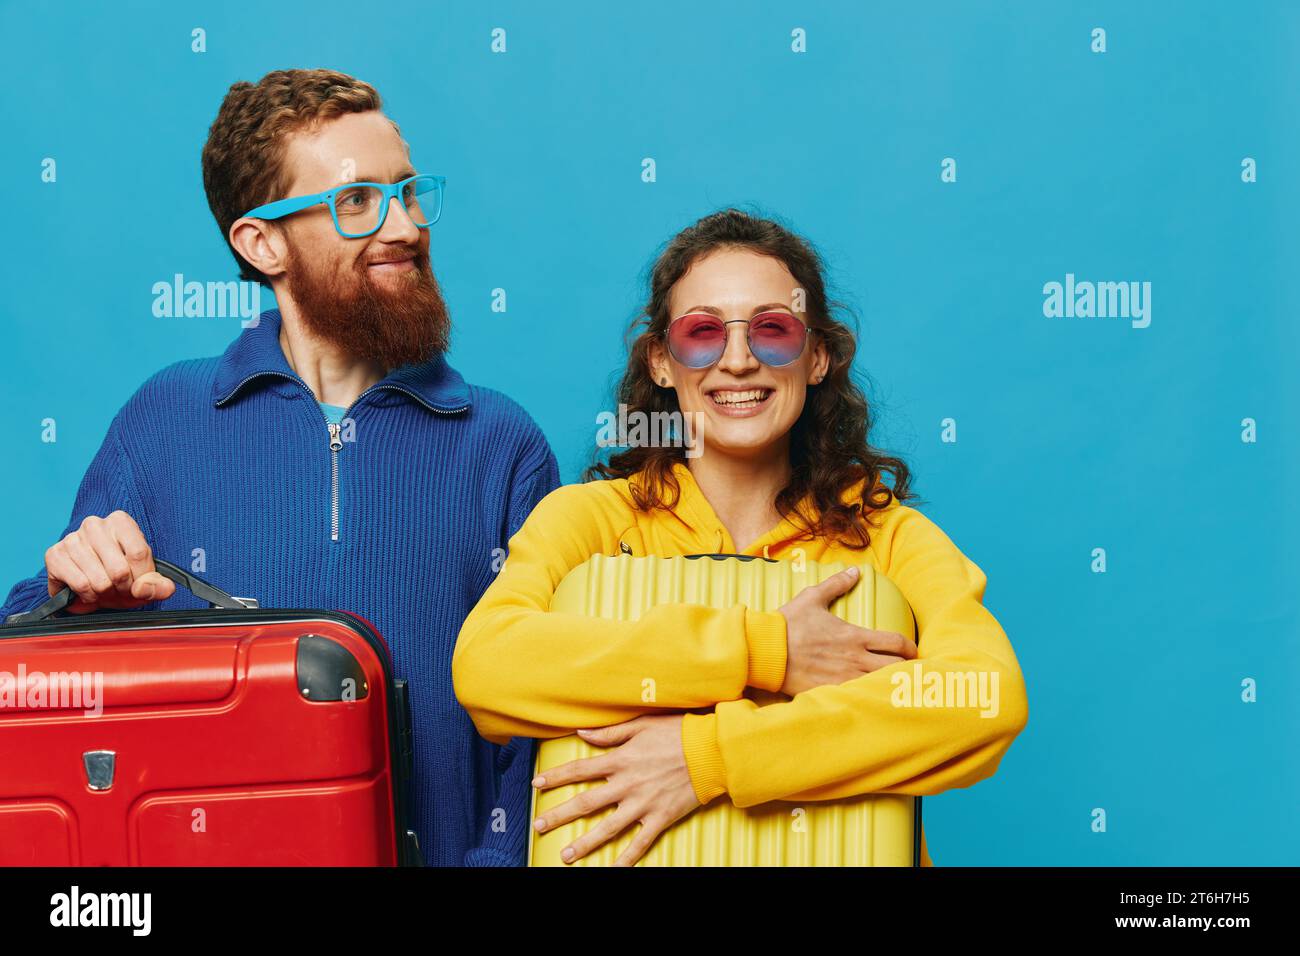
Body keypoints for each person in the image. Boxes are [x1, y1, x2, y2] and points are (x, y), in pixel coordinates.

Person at [0, 68, 558, 867]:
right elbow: (30, 659)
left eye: (407, 190)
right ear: (262, 244)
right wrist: (78, 592)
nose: (403, 225)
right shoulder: (164, 419)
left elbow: (548, 713)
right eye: (357, 201)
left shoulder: (501, 442)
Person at [453, 208, 1029, 866]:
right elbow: (488, 667)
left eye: (772, 331)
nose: (737, 360)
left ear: (816, 358)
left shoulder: (891, 537)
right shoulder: (588, 522)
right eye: (702, 333)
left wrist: (709, 759)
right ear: (661, 363)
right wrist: (768, 652)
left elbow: (986, 698)